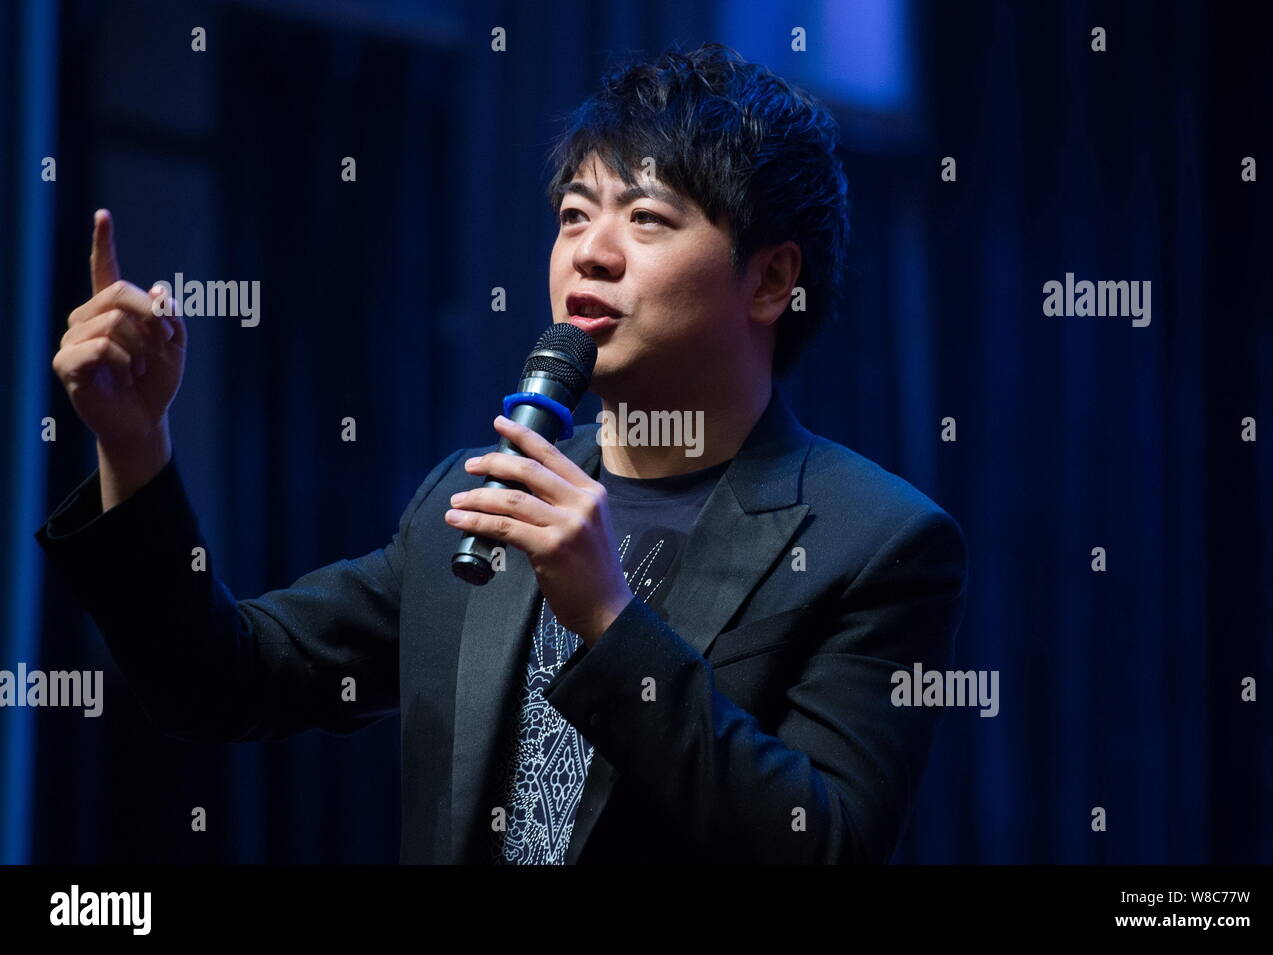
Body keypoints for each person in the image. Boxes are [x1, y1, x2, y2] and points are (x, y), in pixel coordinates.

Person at [36, 43, 967, 864]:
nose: (589, 254)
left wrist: (609, 617)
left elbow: (829, 841)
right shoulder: (477, 496)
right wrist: (135, 444)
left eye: (645, 219)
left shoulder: (872, 541)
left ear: (770, 279)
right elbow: (214, 682)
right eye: (572, 214)